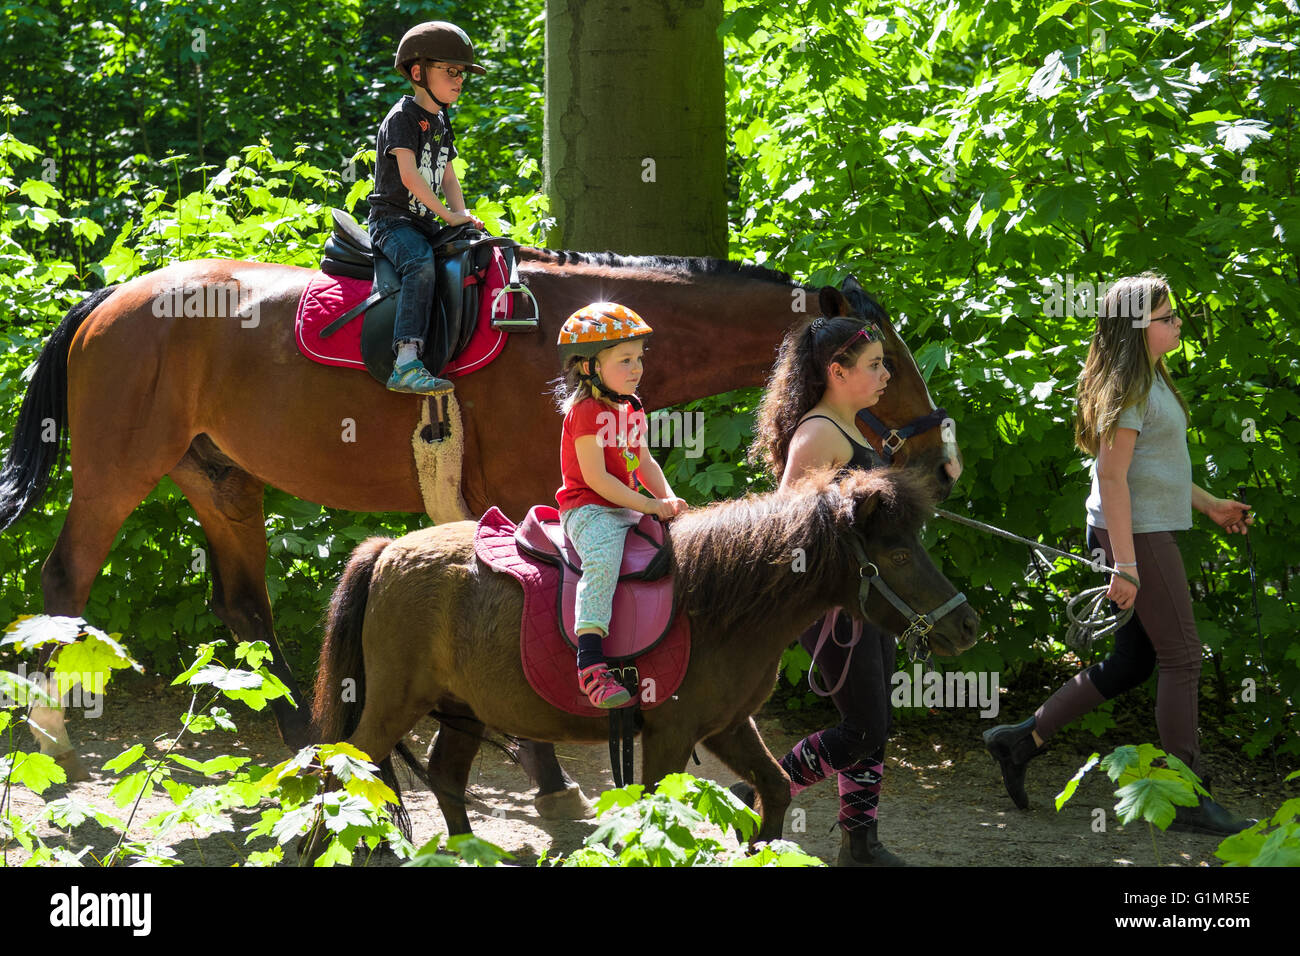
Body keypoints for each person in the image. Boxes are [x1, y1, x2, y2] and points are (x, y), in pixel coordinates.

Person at [983, 272, 1255, 835]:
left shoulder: (1150, 379)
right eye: (1167, 317)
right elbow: (1111, 475)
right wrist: (1125, 564)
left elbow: (1153, 468)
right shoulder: (1128, 387)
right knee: (1183, 657)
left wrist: (1208, 506)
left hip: (1140, 532)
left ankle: (1020, 740)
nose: (1178, 323)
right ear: (1137, 327)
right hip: (1136, 538)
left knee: (1134, 662)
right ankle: (1185, 796)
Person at [746, 311, 961, 866]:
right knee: (863, 727)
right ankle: (746, 803)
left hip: (866, 600)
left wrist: (940, 478)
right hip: (832, 606)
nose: (886, 373)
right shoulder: (818, 433)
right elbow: (788, 527)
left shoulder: (855, 427)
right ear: (837, 372)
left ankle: (858, 842)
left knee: (875, 723)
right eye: (873, 365)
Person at [555, 303, 688, 708]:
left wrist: (665, 499)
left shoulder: (630, 407)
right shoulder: (586, 412)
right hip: (589, 509)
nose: (637, 368)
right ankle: (591, 664)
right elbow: (598, 480)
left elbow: (643, 461)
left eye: (639, 358)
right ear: (589, 367)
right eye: (624, 359)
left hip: (627, 505)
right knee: (604, 559)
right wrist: (649, 506)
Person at [367, 21, 486, 395]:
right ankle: (405, 360)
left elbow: (448, 177)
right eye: (450, 71)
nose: (459, 80)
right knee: (419, 263)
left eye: (462, 73)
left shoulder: (440, 120)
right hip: (393, 222)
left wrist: (462, 219)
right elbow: (410, 178)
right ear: (418, 72)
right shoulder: (402, 118)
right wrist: (448, 216)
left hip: (423, 223)